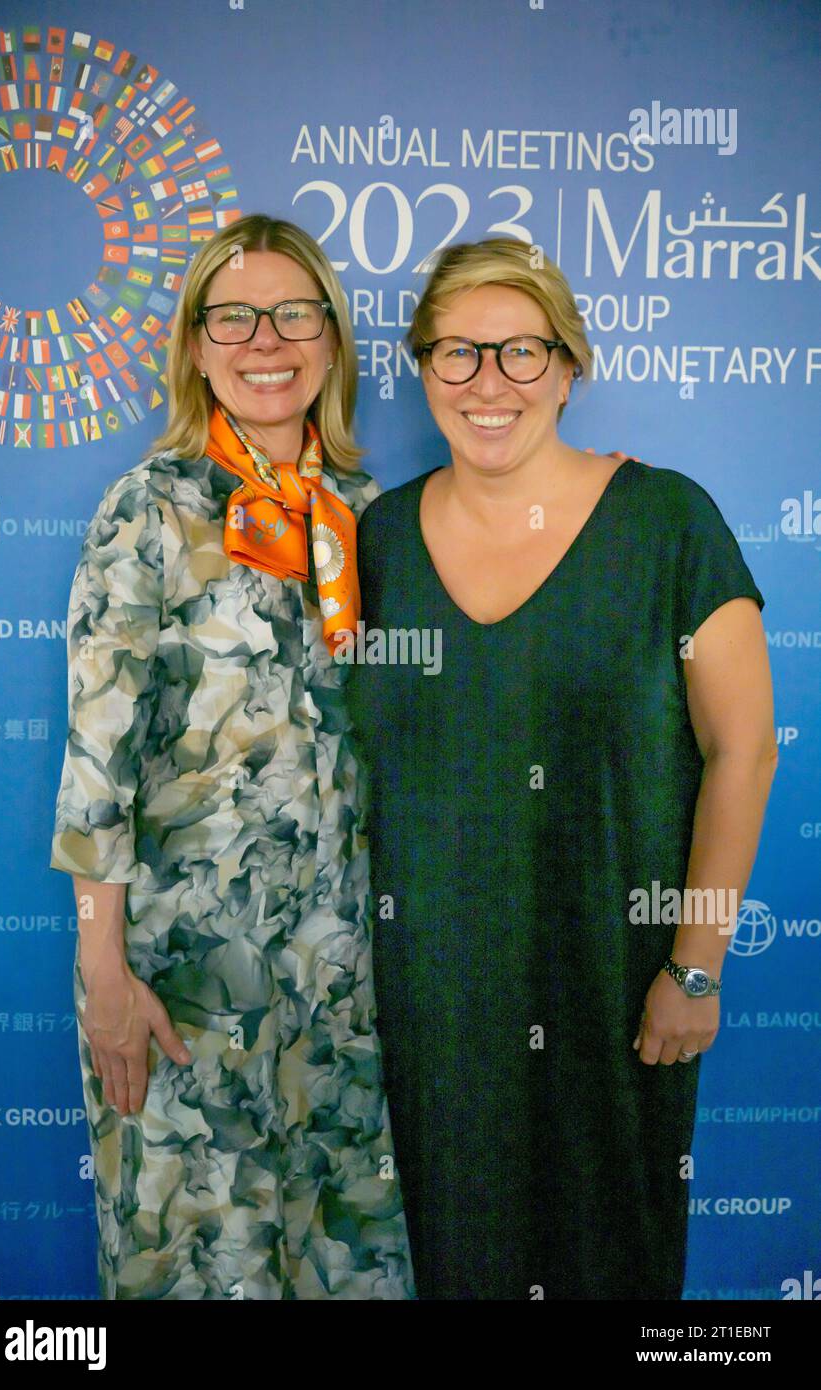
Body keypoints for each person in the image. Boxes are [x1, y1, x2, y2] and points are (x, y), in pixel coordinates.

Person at [344, 237, 778, 1300]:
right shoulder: (376, 540)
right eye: (456, 353)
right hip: (433, 1008)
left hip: (617, 990)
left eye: (520, 352)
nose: (487, 382)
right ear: (420, 369)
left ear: (568, 367)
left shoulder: (668, 521)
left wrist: (694, 965)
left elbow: (743, 749)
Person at [49, 214, 414, 1300]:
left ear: (332, 341)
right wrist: (101, 971)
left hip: (342, 991)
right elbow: (97, 763)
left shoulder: (371, 521)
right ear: (197, 347)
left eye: (295, 313)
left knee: (347, 1271)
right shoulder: (147, 511)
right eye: (236, 316)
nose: (267, 339)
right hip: (180, 987)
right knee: (204, 1277)